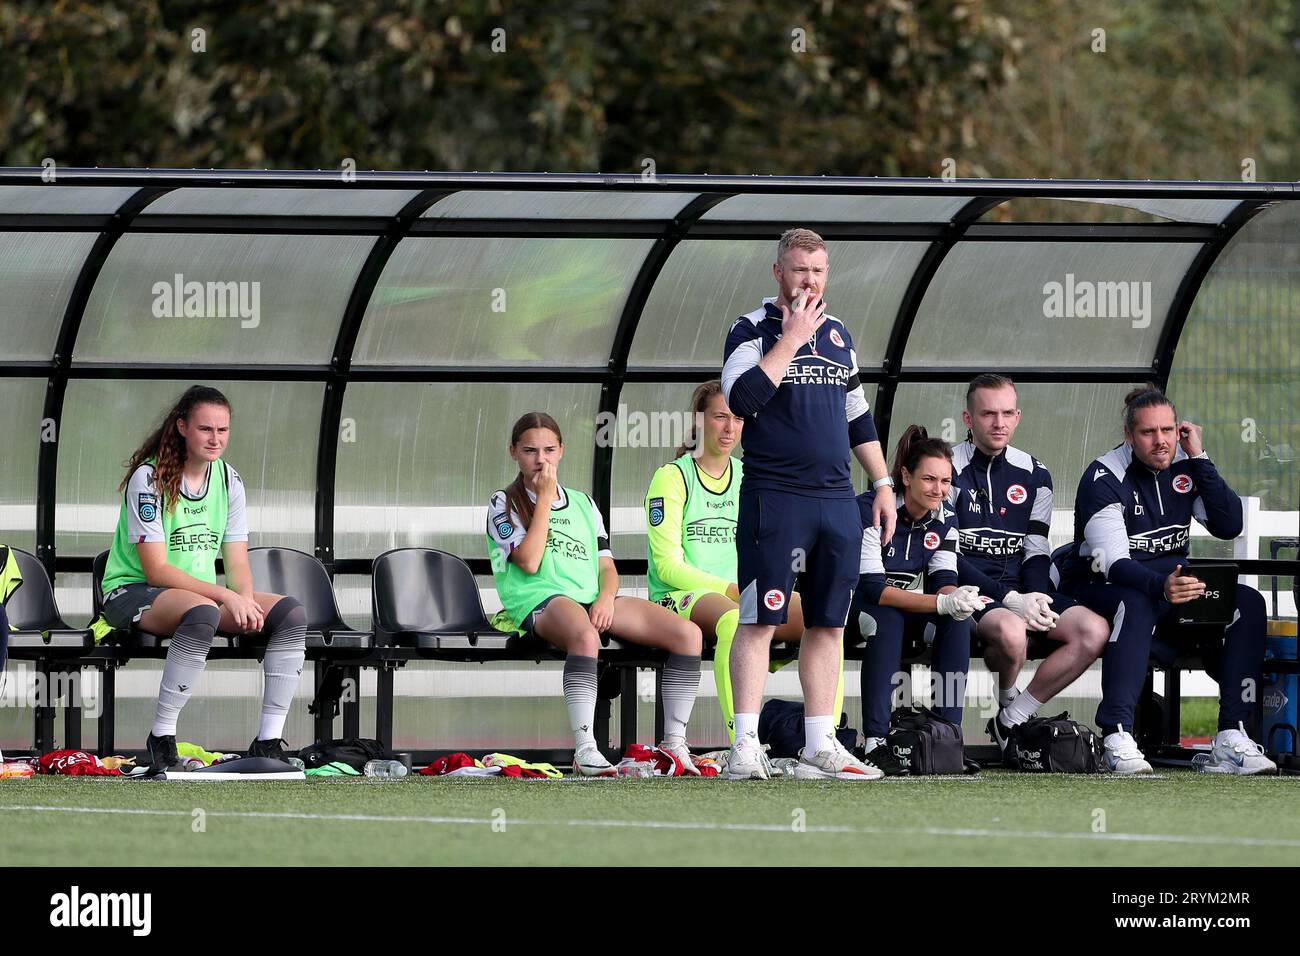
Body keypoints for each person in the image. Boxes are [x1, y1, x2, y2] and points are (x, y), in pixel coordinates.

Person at [721, 227, 897, 781]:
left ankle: (821, 743)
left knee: (829, 622)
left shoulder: (840, 333)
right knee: (759, 619)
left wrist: (885, 482)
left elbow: (858, 415)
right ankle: (744, 746)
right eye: (800, 269)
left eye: (818, 271)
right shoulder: (751, 329)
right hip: (775, 497)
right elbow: (741, 399)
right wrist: (791, 339)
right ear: (779, 272)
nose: (810, 280)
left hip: (835, 498)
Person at [1060, 384, 1276, 775]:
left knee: (1246, 602)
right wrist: (1162, 586)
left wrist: (1200, 458)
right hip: (1102, 587)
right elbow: (1115, 563)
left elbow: (1229, 525)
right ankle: (1117, 735)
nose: (1161, 441)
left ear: (1180, 430)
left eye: (1168, 430)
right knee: (1136, 600)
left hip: (1171, 589)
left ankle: (1231, 735)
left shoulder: (1185, 467)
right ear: (1129, 435)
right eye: (1148, 432)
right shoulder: (1104, 477)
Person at [100, 386, 307, 774]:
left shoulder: (229, 481)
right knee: (202, 612)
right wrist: (225, 597)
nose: (215, 439)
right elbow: (156, 571)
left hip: (197, 595)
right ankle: (162, 738)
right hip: (133, 591)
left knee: (291, 614)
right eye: (205, 429)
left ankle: (268, 741)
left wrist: (243, 599)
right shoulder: (149, 478)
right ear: (181, 427)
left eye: (223, 430)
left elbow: (237, 561)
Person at [488, 412, 703, 777]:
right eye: (530, 450)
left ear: (562, 451)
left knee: (688, 634)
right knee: (586, 637)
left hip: (591, 599)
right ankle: (585, 748)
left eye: (549, 450)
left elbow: (606, 567)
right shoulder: (502, 502)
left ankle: (673, 743)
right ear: (513, 452)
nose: (541, 459)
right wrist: (542, 501)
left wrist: (605, 599)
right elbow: (528, 560)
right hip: (540, 599)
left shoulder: (584, 503)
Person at [644, 380, 845, 745]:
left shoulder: (749, 475)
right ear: (699, 420)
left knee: (824, 615)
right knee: (736, 619)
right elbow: (667, 566)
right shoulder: (672, 477)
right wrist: (729, 589)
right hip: (680, 598)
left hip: (740, 592)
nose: (729, 428)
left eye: (738, 418)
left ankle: (825, 738)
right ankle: (743, 741)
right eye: (720, 417)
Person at [948, 374, 1111, 764]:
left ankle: (1011, 718)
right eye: (988, 414)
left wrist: (1035, 594)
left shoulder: (1036, 473)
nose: (998, 423)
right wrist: (1011, 600)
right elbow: (948, 554)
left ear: (1018, 417)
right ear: (968, 419)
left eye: (1007, 413)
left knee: (1094, 631)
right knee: (1011, 629)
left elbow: (1036, 547)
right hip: (972, 591)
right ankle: (1008, 706)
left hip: (1023, 589)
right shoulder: (946, 465)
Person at [852, 426, 983, 773]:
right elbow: (874, 589)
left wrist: (958, 598)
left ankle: (946, 737)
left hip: (901, 603)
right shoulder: (871, 508)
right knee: (888, 617)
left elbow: (942, 580)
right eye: (929, 479)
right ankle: (875, 742)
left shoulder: (947, 518)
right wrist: (941, 603)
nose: (938, 489)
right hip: (851, 607)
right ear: (906, 476)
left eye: (945, 481)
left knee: (957, 623)